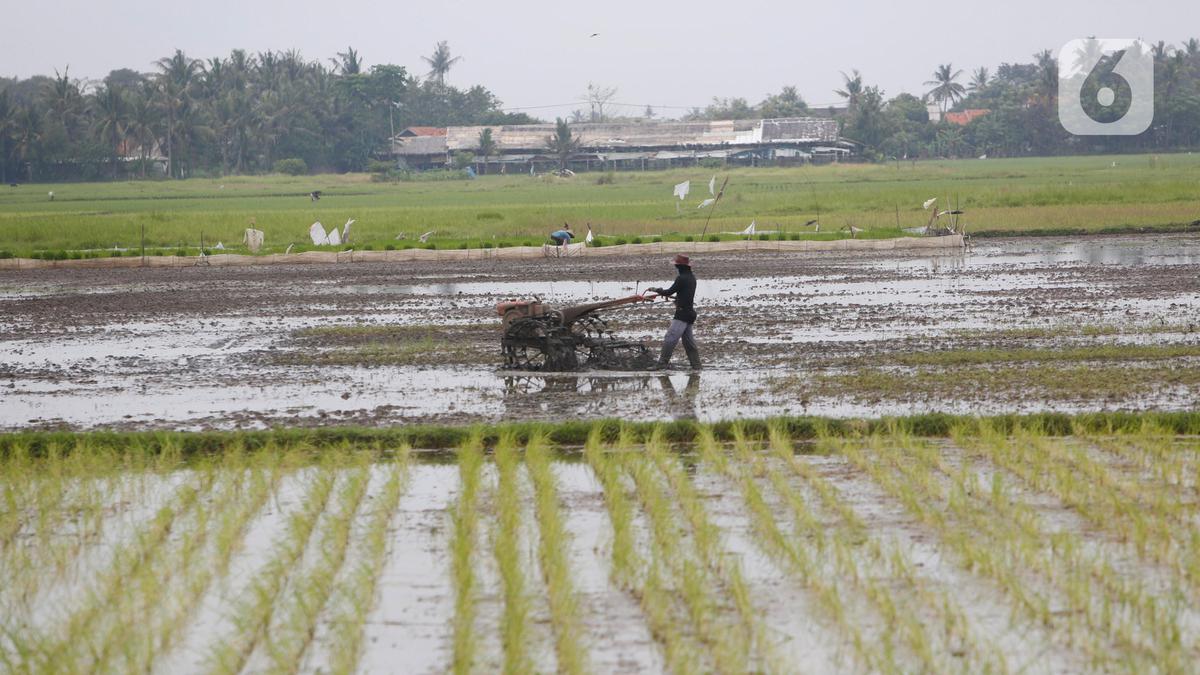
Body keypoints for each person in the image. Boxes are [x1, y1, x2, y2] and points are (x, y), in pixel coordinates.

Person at [647, 254, 701, 370]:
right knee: (689, 343)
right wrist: (678, 299)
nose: (676, 268)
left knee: (670, 338)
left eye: (677, 266)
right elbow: (685, 294)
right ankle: (696, 366)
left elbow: (669, 292)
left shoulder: (681, 278)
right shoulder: (692, 278)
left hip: (682, 314)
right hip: (690, 313)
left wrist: (657, 290)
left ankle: (662, 363)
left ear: (680, 267)